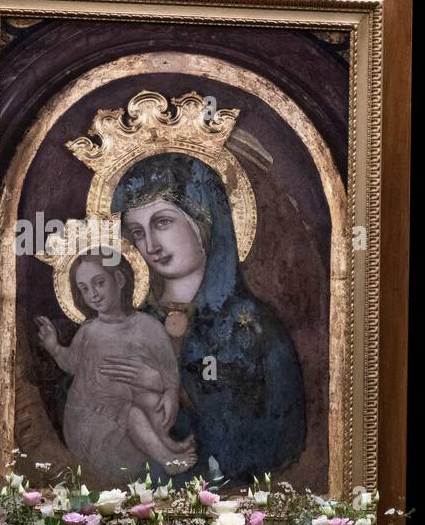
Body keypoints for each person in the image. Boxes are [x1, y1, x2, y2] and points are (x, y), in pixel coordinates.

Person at [108, 153, 306, 485]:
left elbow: (283, 436)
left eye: (163, 222)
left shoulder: (255, 329)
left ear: (204, 221)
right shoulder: (130, 325)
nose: (151, 245)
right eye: (137, 232)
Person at [35, 250, 196, 481]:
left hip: (124, 407)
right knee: (132, 413)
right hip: (91, 420)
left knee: (151, 402)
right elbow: (71, 364)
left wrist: (170, 392)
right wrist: (55, 347)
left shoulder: (149, 327)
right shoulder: (89, 331)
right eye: (84, 288)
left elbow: (169, 369)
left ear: (119, 280)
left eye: (99, 283)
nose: (93, 294)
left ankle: (169, 445)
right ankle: (166, 458)